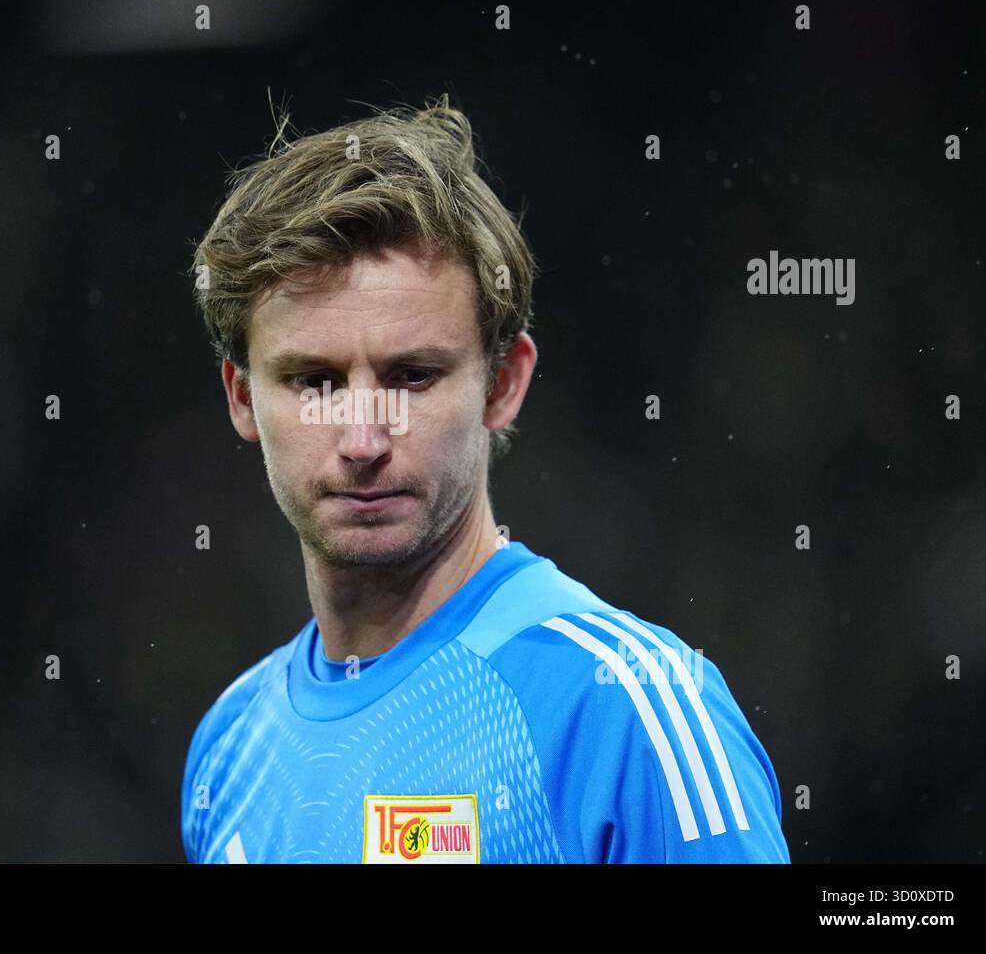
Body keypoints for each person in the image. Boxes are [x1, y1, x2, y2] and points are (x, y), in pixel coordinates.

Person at [181, 95, 790, 863]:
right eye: (315, 381)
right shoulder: (229, 747)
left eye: (411, 376)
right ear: (242, 397)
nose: (364, 438)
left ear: (503, 383)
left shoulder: (629, 711)